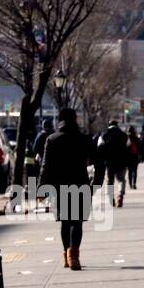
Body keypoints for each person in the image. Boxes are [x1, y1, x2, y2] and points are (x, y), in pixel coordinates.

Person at [39, 108, 100, 271]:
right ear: (75, 120)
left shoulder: (52, 139)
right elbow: (99, 164)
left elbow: (45, 166)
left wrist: (41, 189)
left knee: (65, 221)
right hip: (80, 183)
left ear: (60, 120)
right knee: (77, 221)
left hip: (59, 186)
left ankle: (67, 255)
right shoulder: (85, 139)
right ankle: (74, 255)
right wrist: (96, 184)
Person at [97, 118, 130, 208]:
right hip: (122, 161)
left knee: (110, 181)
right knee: (121, 179)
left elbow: (99, 147)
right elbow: (128, 147)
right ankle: (120, 195)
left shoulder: (104, 135)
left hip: (109, 162)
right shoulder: (124, 135)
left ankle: (111, 198)